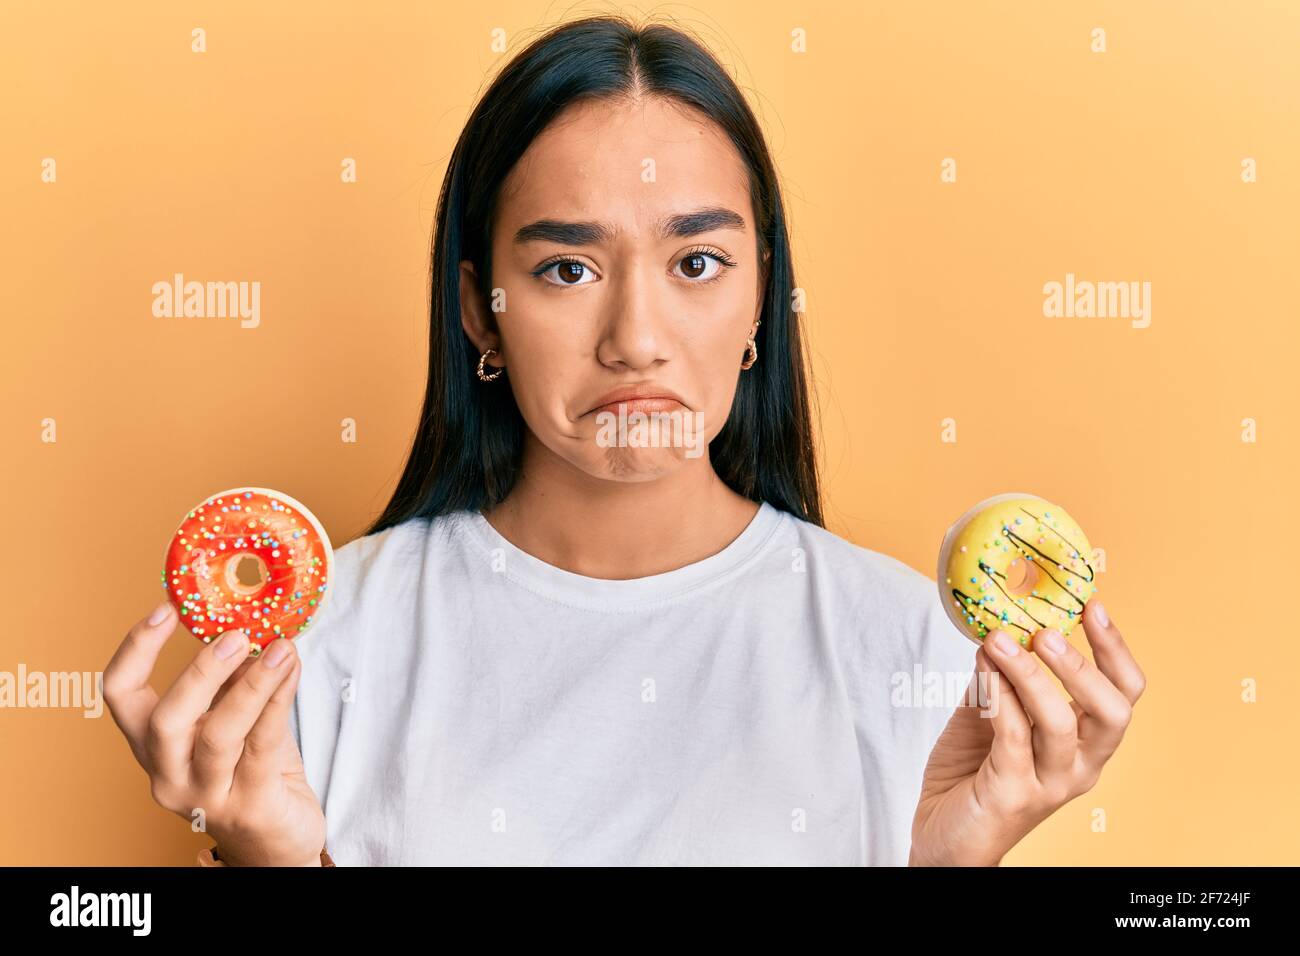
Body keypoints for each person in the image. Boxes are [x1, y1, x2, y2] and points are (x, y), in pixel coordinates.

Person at [104, 14, 1145, 866]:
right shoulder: (322, 643)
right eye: (567, 269)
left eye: (696, 263)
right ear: (480, 309)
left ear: (761, 300)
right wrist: (265, 862)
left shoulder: (913, 647)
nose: (636, 341)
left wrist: (951, 861)